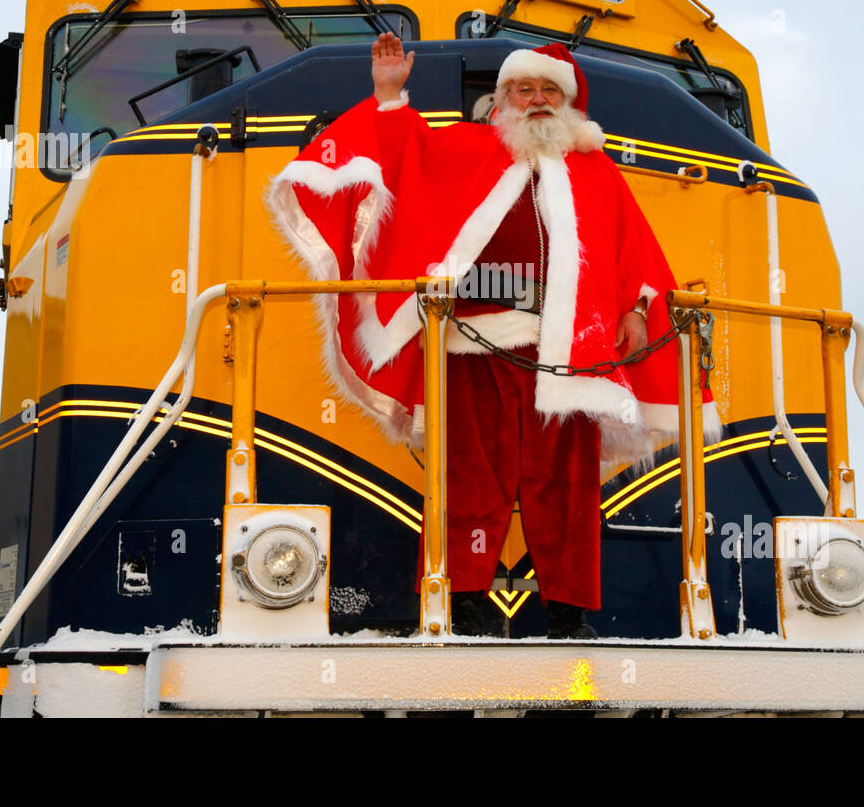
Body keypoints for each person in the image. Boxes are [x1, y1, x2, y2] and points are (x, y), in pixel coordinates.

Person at [268, 35, 679, 637]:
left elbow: (633, 248)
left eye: (547, 91)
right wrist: (389, 96)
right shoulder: (464, 146)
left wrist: (637, 308)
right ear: (503, 98)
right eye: (524, 89)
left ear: (566, 102)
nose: (536, 100)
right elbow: (406, 160)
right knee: (468, 478)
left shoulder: (597, 170)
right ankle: (459, 599)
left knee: (565, 487)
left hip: (565, 351)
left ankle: (567, 611)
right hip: (473, 342)